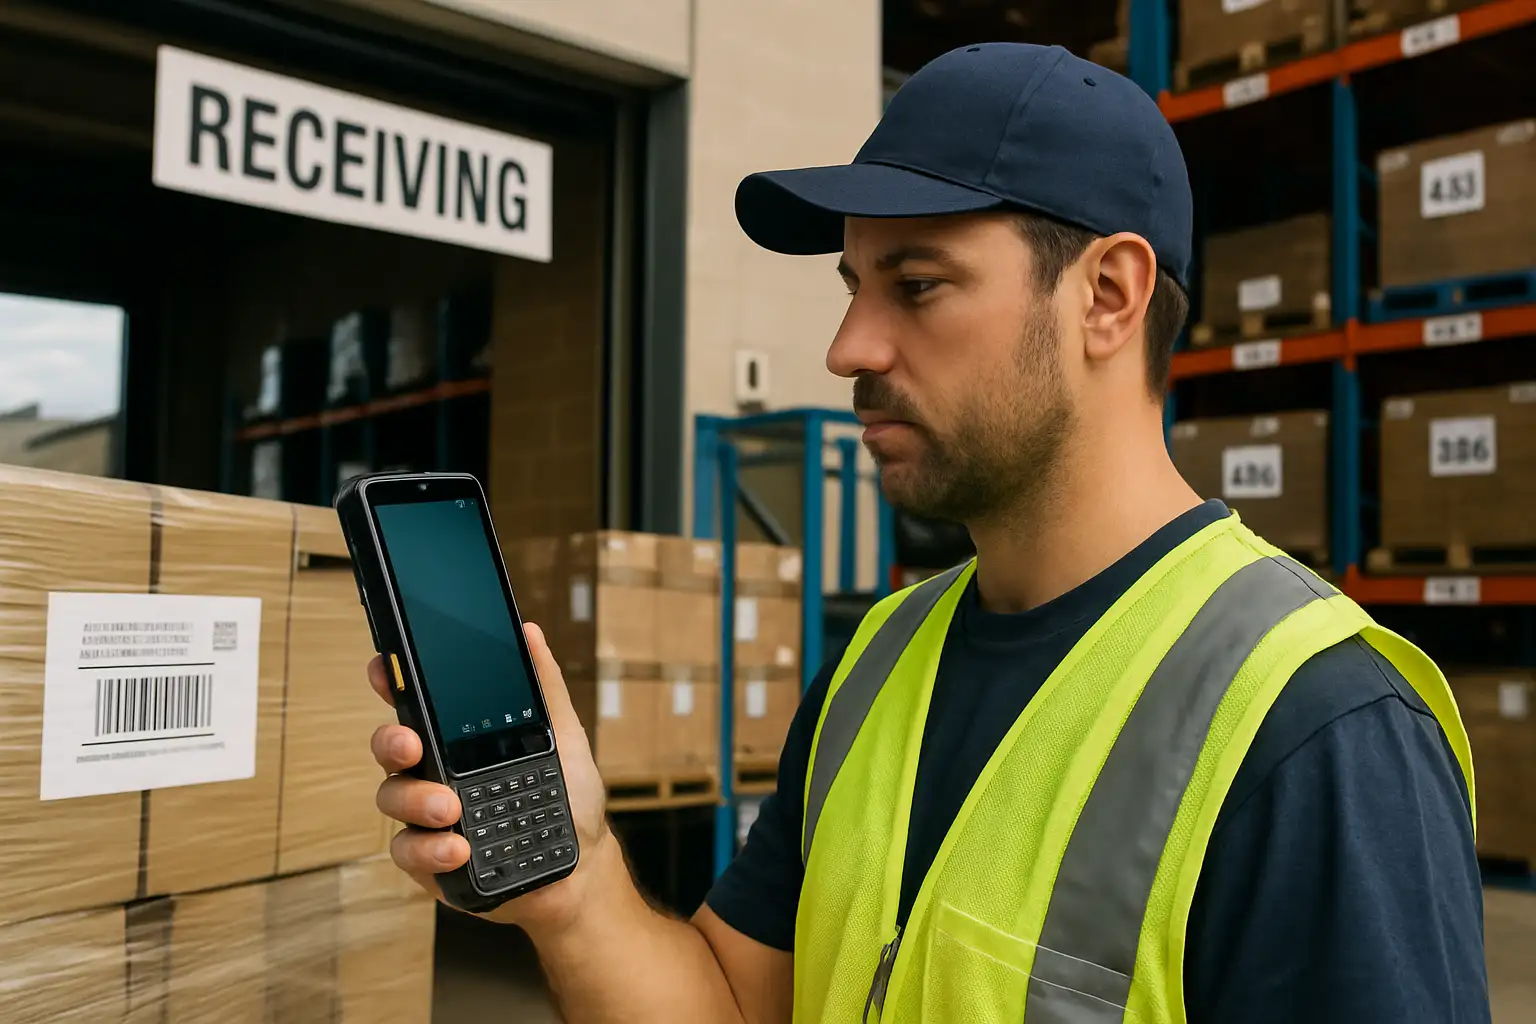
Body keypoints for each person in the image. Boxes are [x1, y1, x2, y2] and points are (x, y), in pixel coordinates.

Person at [366, 43, 1489, 1023]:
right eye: (854, 283)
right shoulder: (876, 665)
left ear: (1108, 295)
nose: (849, 347)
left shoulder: (1320, 730)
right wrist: (578, 881)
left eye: (917, 283)